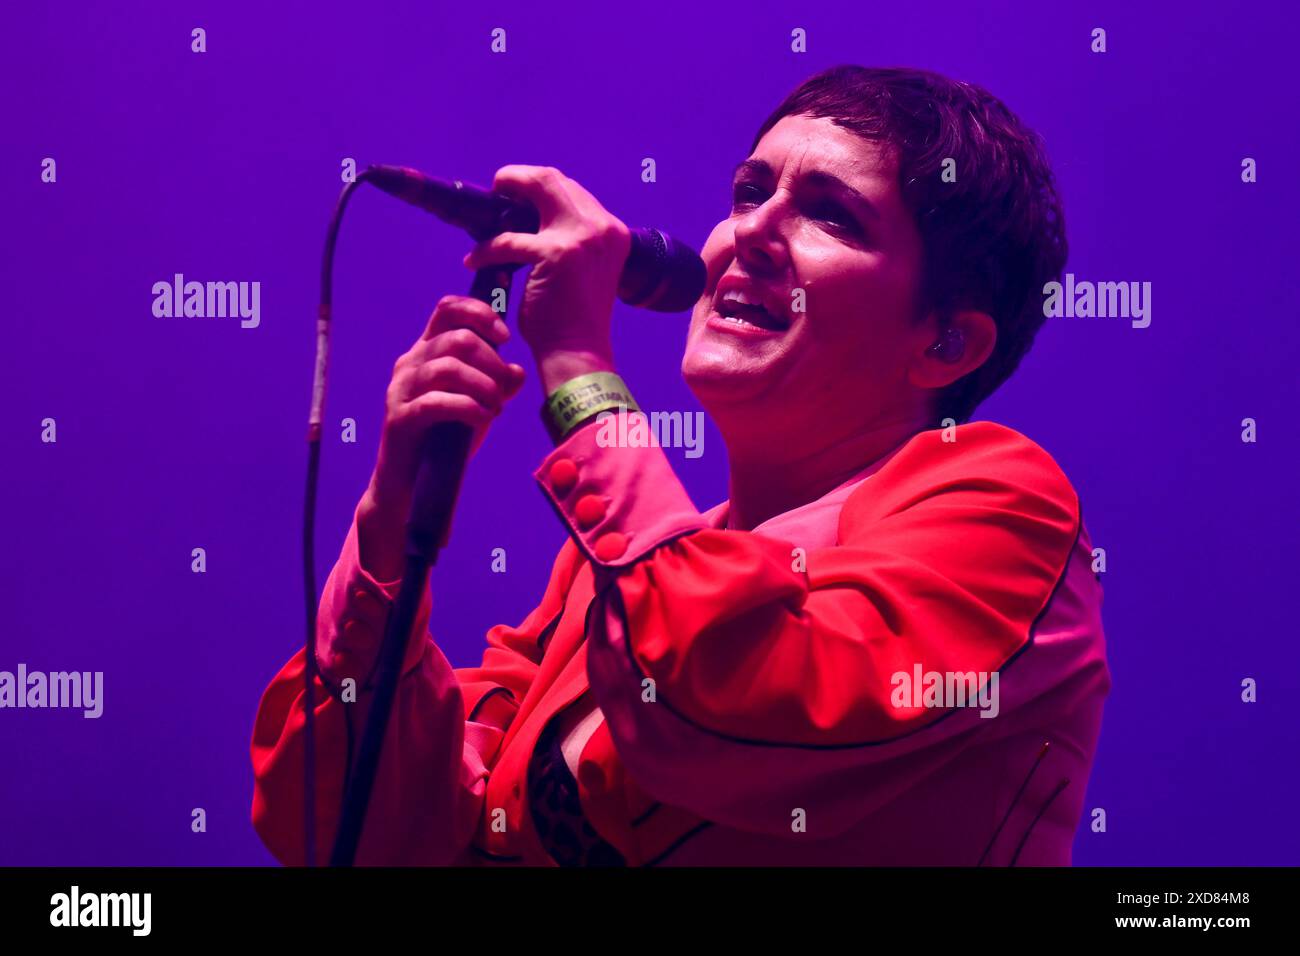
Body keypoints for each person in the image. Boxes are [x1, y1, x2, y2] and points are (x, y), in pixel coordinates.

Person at [250, 65, 1109, 866]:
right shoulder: (604, 580)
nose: (751, 231)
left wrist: (581, 369)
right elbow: (352, 831)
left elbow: (731, 707)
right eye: (748, 191)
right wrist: (390, 517)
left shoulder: (1006, 509)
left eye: (831, 214)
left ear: (947, 340)